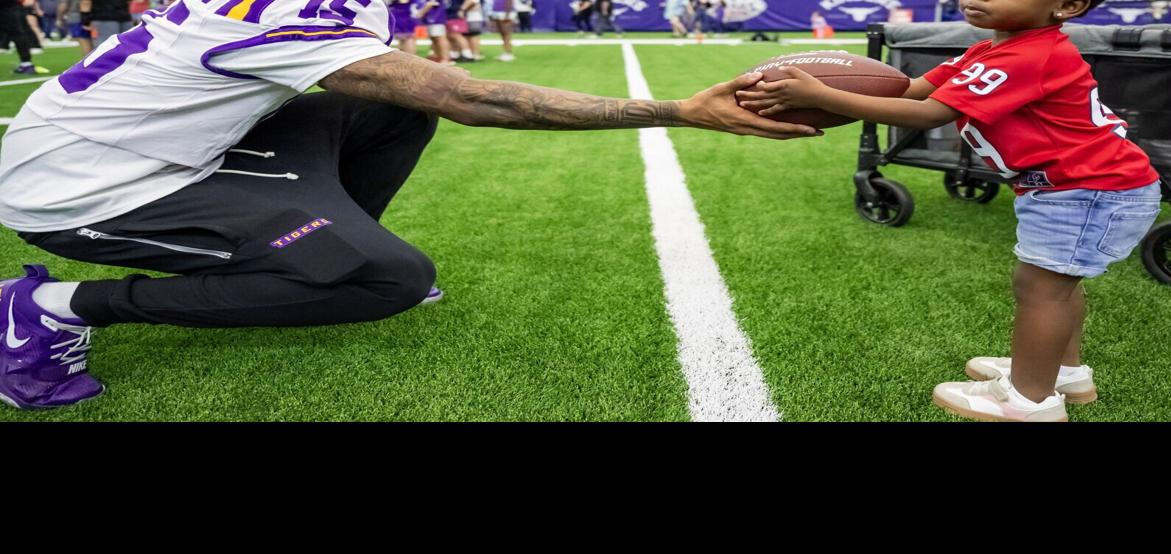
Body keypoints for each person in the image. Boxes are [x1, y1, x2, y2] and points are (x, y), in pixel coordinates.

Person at [0, 0, 820, 410]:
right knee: (384, 281)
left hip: (174, 151)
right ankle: (50, 308)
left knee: (394, 105)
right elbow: (484, 100)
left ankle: (328, 245)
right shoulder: (297, 13)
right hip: (87, 189)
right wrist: (680, 110)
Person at [740, 0, 1160, 422]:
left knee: (1041, 289)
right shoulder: (990, 50)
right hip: (1080, 186)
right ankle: (1065, 374)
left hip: (1091, 188)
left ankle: (1030, 400)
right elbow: (910, 90)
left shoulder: (1029, 55)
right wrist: (821, 92)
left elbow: (929, 113)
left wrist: (820, 94)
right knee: (1057, 284)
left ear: (1065, 6)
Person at [1, 0, 42, 74]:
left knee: (17, 33)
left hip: (8, 7)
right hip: (10, 8)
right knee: (17, 33)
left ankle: (26, 64)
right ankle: (26, 64)